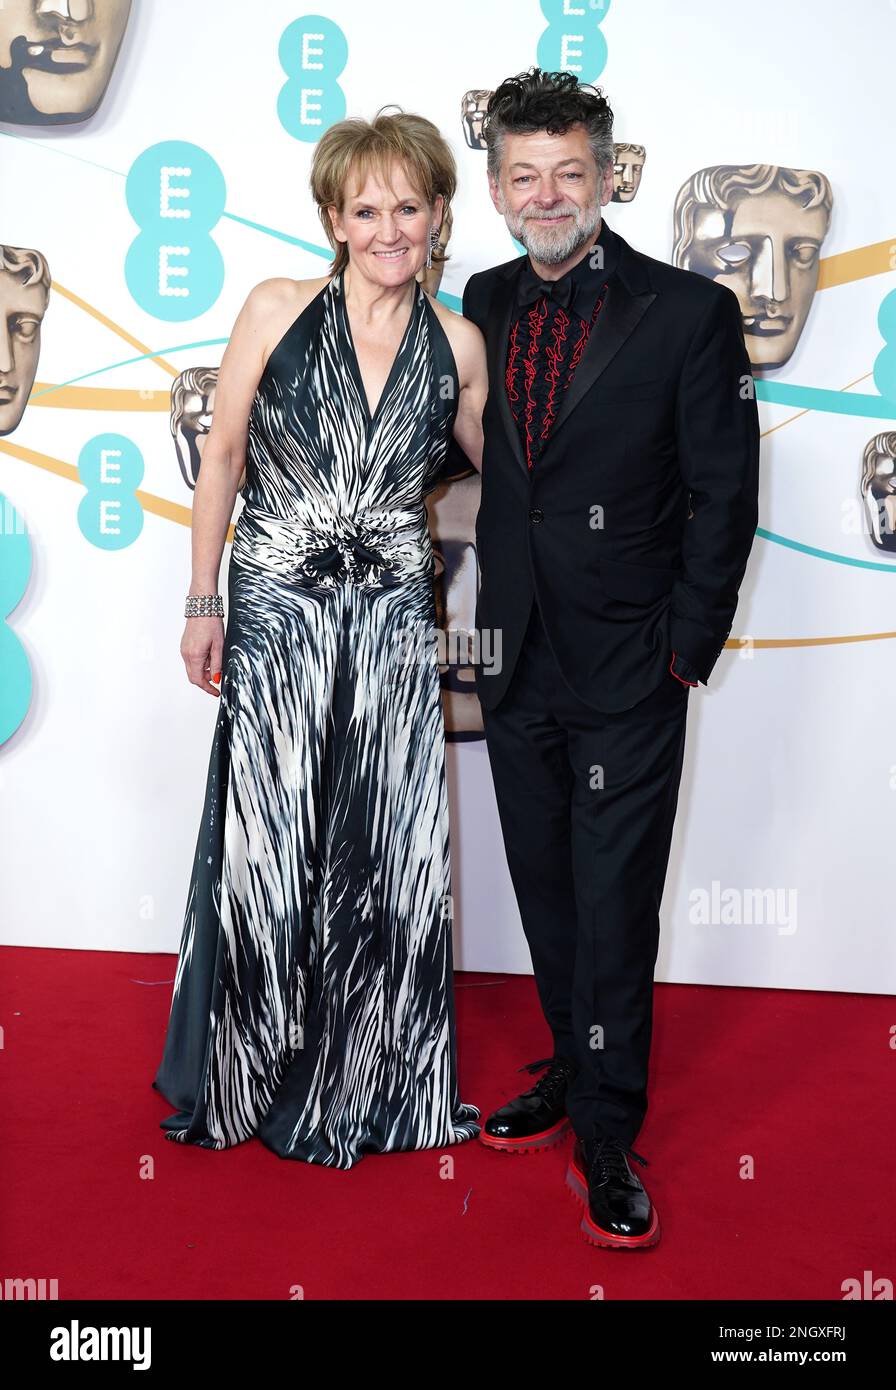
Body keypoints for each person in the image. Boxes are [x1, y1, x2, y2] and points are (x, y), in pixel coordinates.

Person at [452, 69, 760, 1246]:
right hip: (515, 653)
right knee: (544, 885)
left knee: (613, 897)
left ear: (606, 176)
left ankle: (605, 1125)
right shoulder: (478, 297)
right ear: (493, 186)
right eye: (521, 175)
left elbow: (721, 490)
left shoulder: (684, 312)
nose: (545, 195)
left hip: (632, 662)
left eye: (567, 172)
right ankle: (571, 1071)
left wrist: (685, 647)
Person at [152, 107, 488, 1169]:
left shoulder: (462, 344)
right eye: (365, 209)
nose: (389, 228)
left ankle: (366, 1075)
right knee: (271, 834)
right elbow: (224, 463)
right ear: (334, 220)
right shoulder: (274, 308)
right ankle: (248, 1065)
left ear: (438, 212)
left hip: (390, 618)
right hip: (278, 611)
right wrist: (203, 601)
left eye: (408, 206)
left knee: (386, 842)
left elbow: (522, 475)